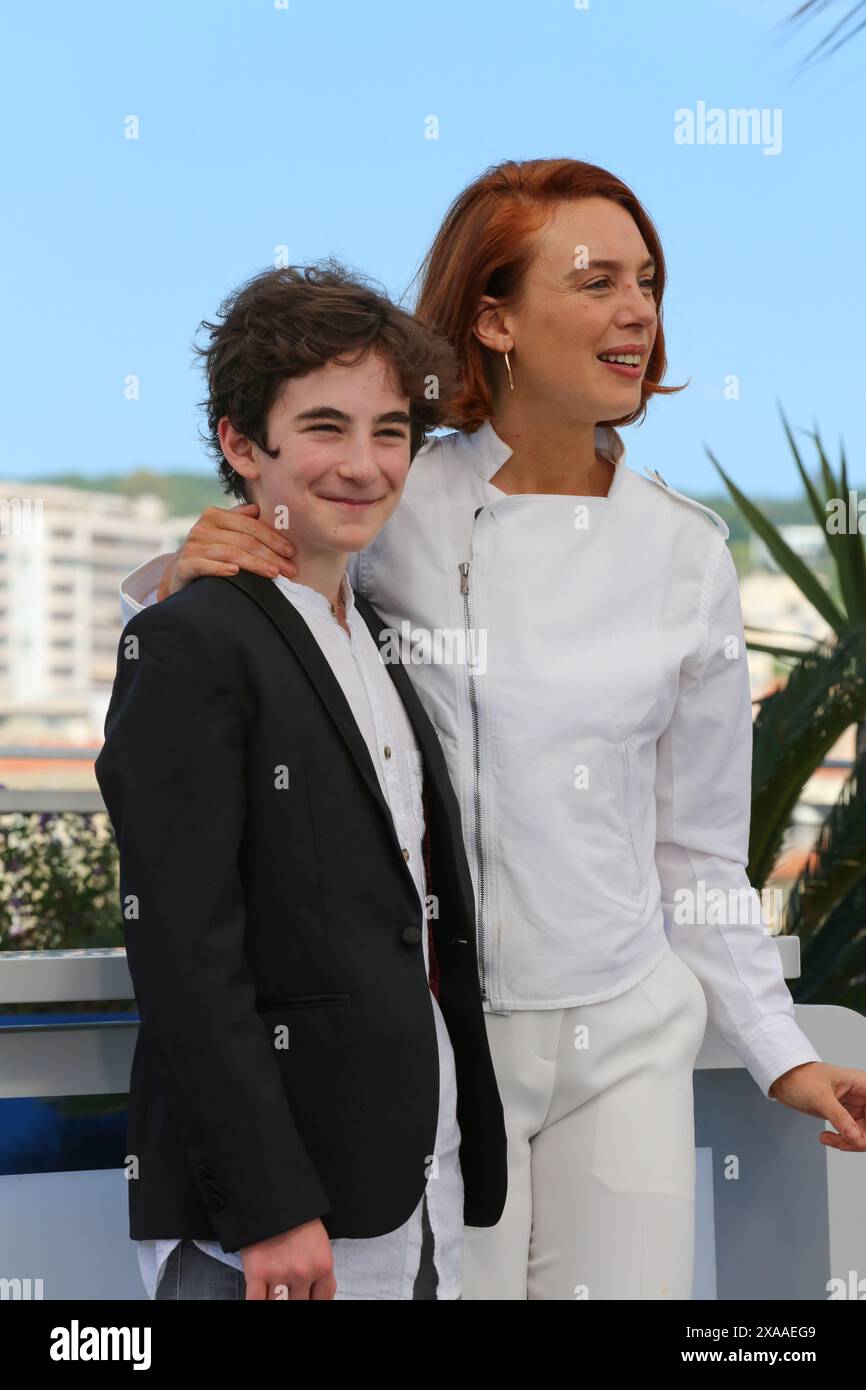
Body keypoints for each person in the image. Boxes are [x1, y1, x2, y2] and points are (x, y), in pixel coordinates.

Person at [119, 159, 866, 1301]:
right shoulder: (392, 497)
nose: (637, 310)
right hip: (445, 1048)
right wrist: (176, 567)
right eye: (596, 278)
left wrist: (779, 1048)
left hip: (622, 1030)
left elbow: (698, 852)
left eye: (649, 281)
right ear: (493, 317)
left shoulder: (687, 552)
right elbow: (240, 642)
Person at [96, 262, 507, 1301]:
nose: (364, 466)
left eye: (390, 432)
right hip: (277, 1228)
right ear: (241, 444)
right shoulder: (189, 641)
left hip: (414, 1192)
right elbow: (186, 953)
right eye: (324, 427)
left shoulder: (367, 633)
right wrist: (268, 1203)